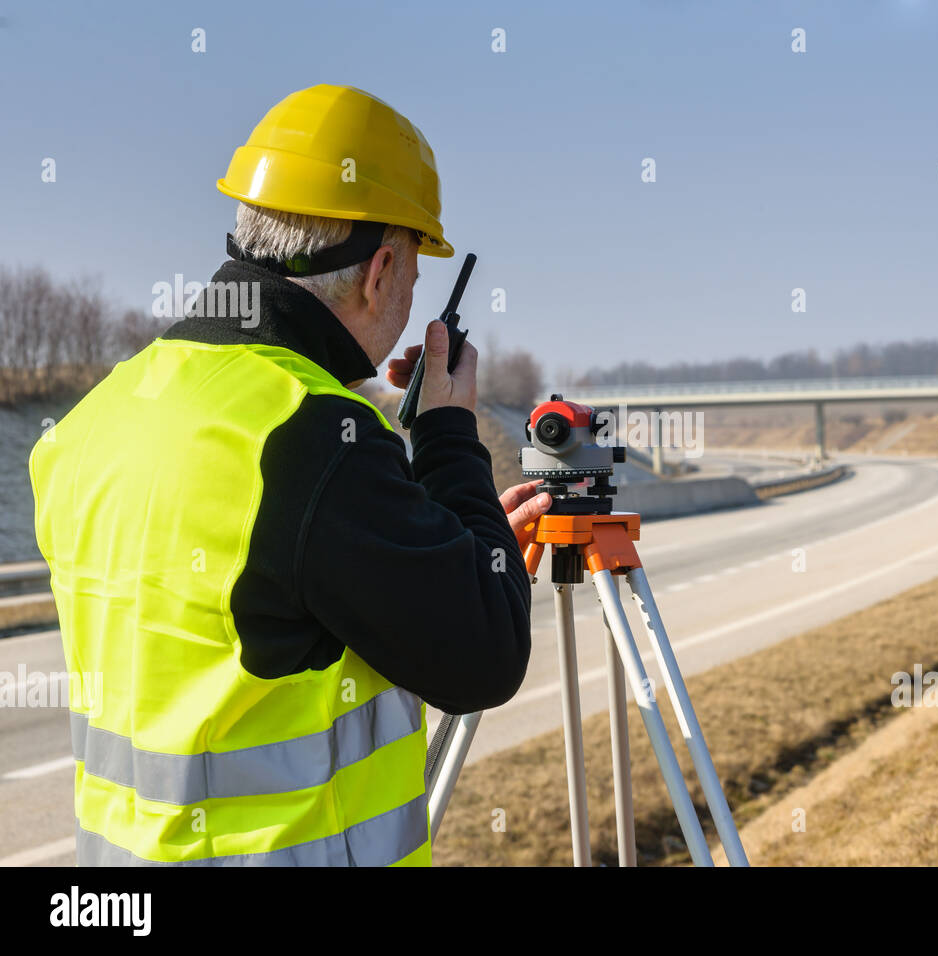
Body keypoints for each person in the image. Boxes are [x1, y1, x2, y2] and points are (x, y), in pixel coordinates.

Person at [28, 85, 549, 866]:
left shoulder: (92, 422)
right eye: (412, 276)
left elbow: (257, 611)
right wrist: (445, 434)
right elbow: (484, 654)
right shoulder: (317, 439)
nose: (408, 301)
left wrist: (438, 556)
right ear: (380, 270)